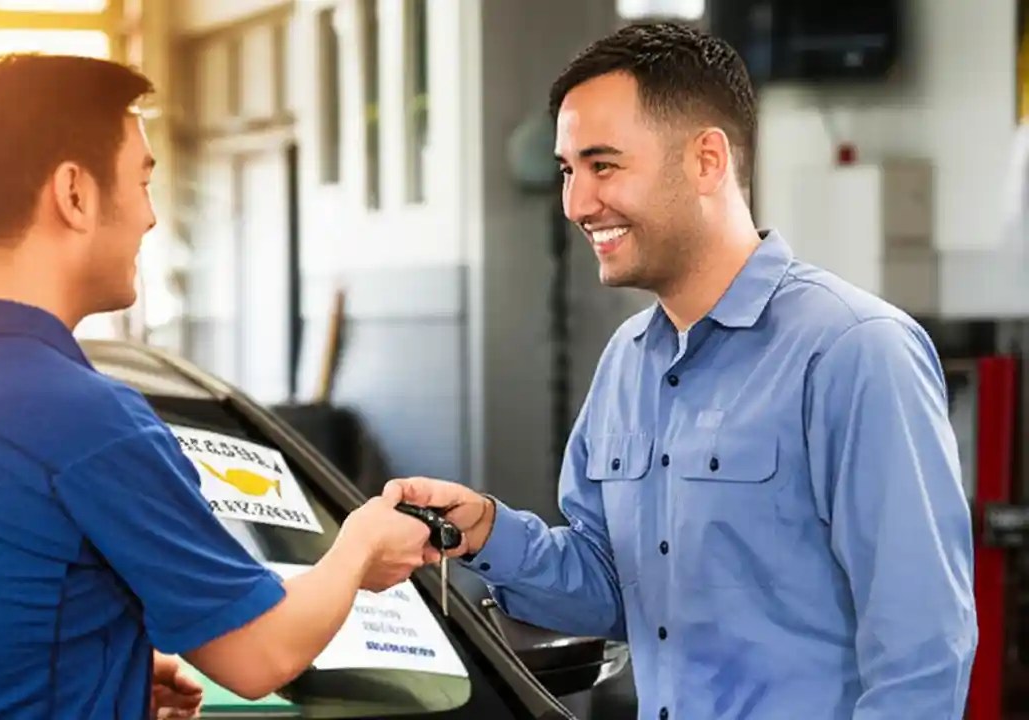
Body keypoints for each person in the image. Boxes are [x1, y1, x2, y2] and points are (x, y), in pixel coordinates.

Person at [381, 22, 976, 720]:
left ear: (706, 160)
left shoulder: (854, 350)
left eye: (603, 166)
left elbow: (923, 650)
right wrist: (485, 531)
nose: (575, 203)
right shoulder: (628, 364)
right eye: (569, 170)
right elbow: (613, 589)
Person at [0, 53, 435, 719]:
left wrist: (104, 665)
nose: (150, 218)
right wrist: (357, 546)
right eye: (143, 181)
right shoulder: (81, 419)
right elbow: (259, 656)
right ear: (74, 193)